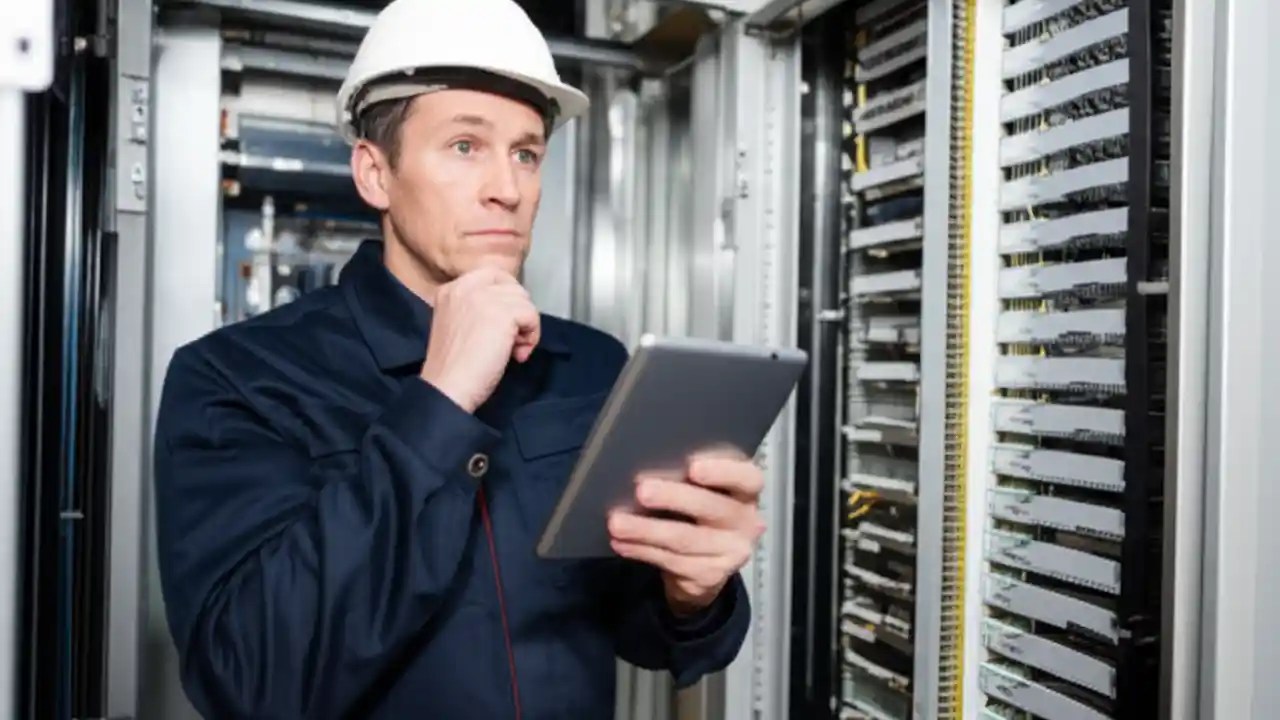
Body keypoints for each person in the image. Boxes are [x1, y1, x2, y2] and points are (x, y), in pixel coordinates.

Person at [151, 0, 766, 717]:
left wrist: (693, 594)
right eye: (465, 146)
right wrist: (439, 403)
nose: (507, 187)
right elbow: (250, 680)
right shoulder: (237, 380)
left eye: (526, 152)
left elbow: (637, 624)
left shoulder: (590, 365)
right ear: (375, 173)